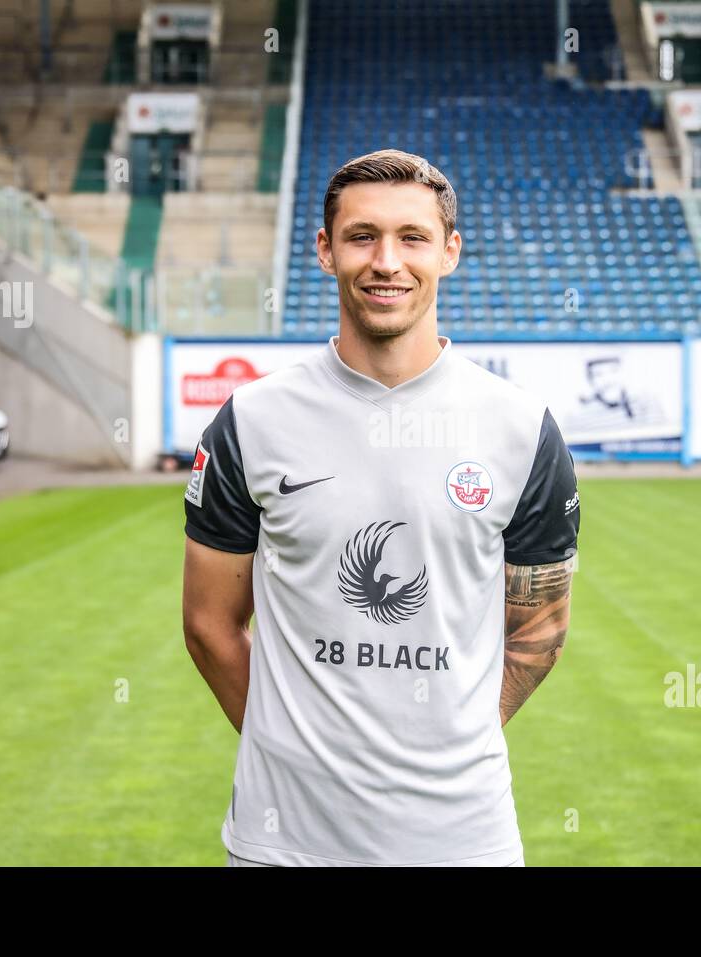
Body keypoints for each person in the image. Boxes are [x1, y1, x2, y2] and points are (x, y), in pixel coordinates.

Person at [182, 148, 580, 867]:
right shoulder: (253, 420)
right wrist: (298, 752)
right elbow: (210, 624)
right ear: (325, 251)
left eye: (413, 237)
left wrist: (452, 742)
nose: (386, 260)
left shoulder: (521, 429)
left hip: (464, 842)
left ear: (450, 252)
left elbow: (541, 630)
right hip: (284, 844)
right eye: (362, 236)